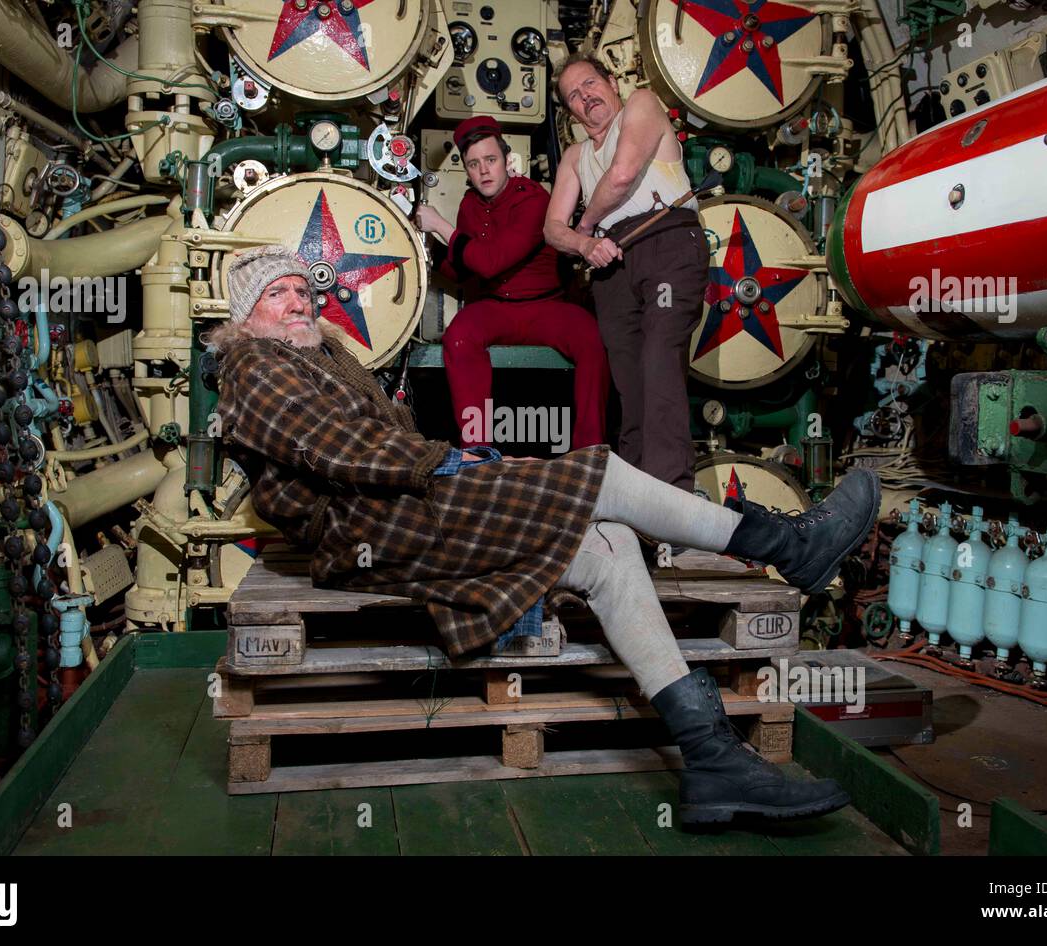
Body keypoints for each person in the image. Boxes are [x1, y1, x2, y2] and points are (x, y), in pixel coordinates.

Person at [212, 245, 882, 829]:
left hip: (402, 504)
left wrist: (452, 459)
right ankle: (789, 546)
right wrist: (444, 462)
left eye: (304, 290)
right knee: (600, 475)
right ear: (247, 316)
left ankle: (710, 758)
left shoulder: (326, 359)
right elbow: (328, 446)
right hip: (368, 525)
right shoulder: (255, 365)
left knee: (609, 544)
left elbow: (386, 442)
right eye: (278, 294)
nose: (298, 301)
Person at [544, 53, 707, 493]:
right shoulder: (576, 156)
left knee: (659, 366)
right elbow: (550, 228)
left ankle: (673, 499)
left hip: (667, 241)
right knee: (629, 386)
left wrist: (585, 226)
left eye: (591, 84)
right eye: (573, 96)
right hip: (611, 264)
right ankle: (636, 502)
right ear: (570, 111)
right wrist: (585, 244)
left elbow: (621, 174)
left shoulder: (641, 103)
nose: (586, 97)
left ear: (611, 82)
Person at [415, 116, 609, 452]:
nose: (484, 171)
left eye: (491, 160)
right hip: (497, 308)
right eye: (474, 164)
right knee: (459, 337)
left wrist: (441, 225)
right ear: (466, 169)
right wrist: (425, 246)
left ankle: (588, 453)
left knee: (591, 339)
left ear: (507, 160)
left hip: (546, 307)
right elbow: (464, 269)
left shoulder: (533, 199)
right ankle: (477, 450)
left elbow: (491, 262)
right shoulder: (470, 205)